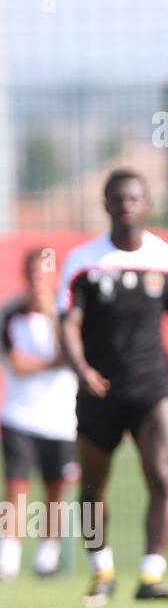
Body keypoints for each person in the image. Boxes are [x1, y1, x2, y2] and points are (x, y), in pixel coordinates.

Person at [58, 169, 168, 604]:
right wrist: (82, 370)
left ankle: (150, 574)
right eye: (118, 198)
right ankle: (101, 570)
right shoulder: (83, 262)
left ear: (147, 205)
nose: (127, 204)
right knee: (92, 485)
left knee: (162, 473)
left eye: (135, 198)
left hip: (152, 388)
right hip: (98, 391)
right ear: (105, 204)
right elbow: (68, 327)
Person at [1, 248, 78, 581]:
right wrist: (50, 364)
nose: (38, 281)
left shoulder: (66, 315)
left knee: (56, 488)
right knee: (17, 488)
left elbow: (73, 356)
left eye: (44, 273)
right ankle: (9, 554)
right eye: (33, 274)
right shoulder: (11, 315)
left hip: (60, 420)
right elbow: (17, 366)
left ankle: (48, 557)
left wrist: (52, 318)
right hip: (20, 416)